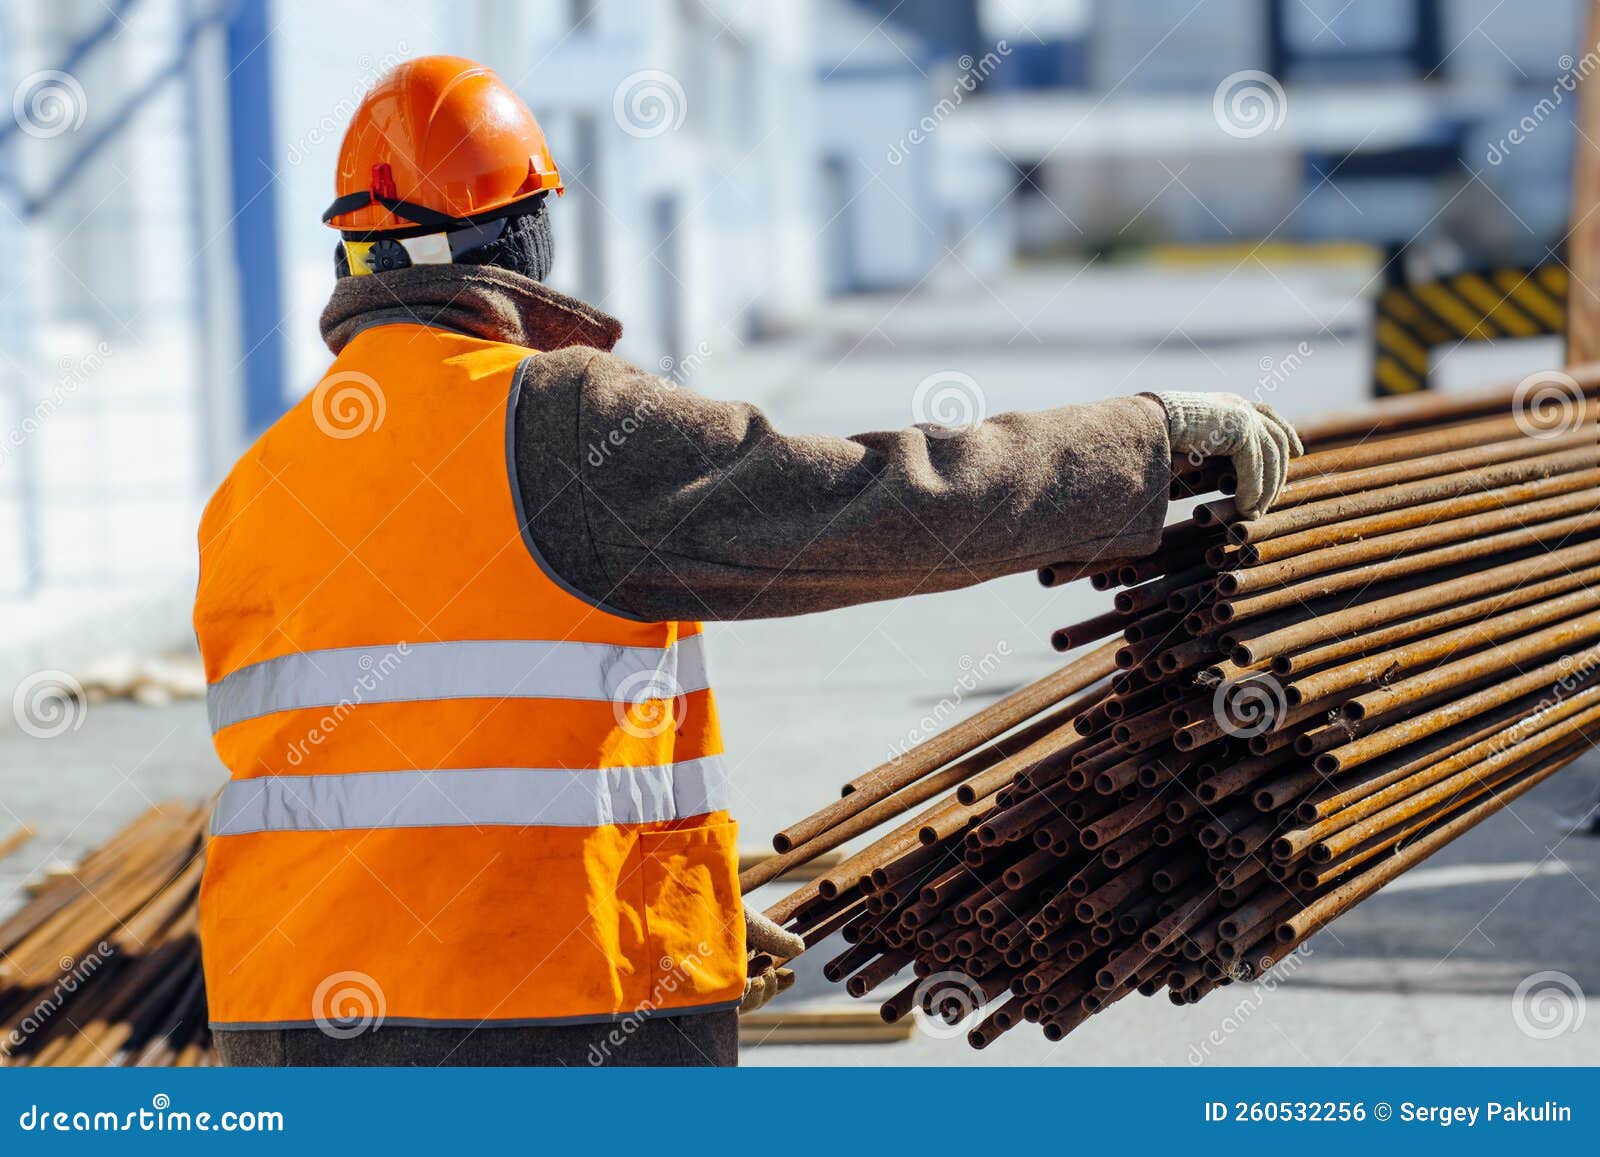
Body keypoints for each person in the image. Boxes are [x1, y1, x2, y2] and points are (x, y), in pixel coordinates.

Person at [193, 56, 1301, 1068]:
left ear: (356, 254)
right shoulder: (557, 419)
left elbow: (403, 761)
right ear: (524, 240)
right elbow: (878, 502)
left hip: (282, 1019)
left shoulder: (258, 483)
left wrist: (690, 900)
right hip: (543, 1012)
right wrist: (1142, 443)